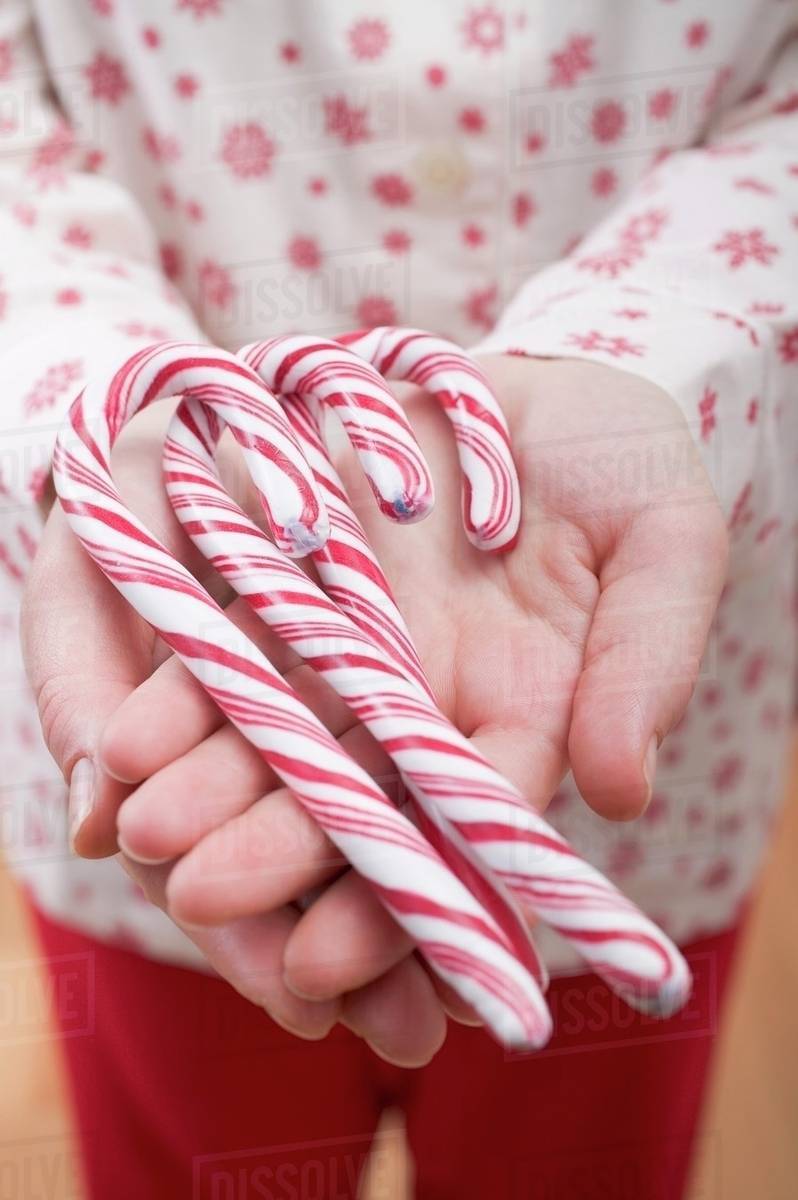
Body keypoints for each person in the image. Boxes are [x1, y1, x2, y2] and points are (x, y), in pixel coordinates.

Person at [2, 1, 796, 1195]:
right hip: (151, 722)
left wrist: (651, 348)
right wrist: (91, 412)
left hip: (647, 753)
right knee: (196, 1155)